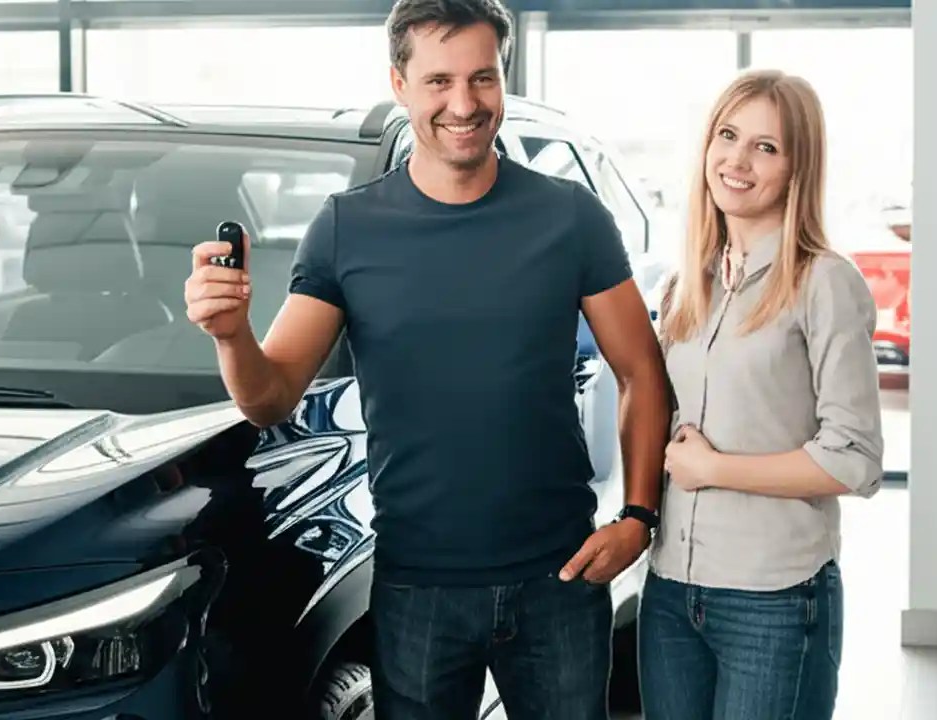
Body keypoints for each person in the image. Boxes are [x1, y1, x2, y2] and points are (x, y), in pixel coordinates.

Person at [183, 0, 671, 717]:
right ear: (400, 82)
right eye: (439, 80)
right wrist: (231, 335)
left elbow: (643, 373)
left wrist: (636, 517)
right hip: (417, 589)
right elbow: (271, 396)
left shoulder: (571, 217)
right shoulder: (346, 229)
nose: (465, 104)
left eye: (483, 78)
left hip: (559, 580)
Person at [638, 69, 885, 720]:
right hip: (670, 592)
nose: (737, 160)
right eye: (728, 135)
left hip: (773, 599)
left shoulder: (824, 283)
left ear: (797, 166)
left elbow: (853, 459)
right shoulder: (684, 287)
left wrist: (714, 469)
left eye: (766, 147)